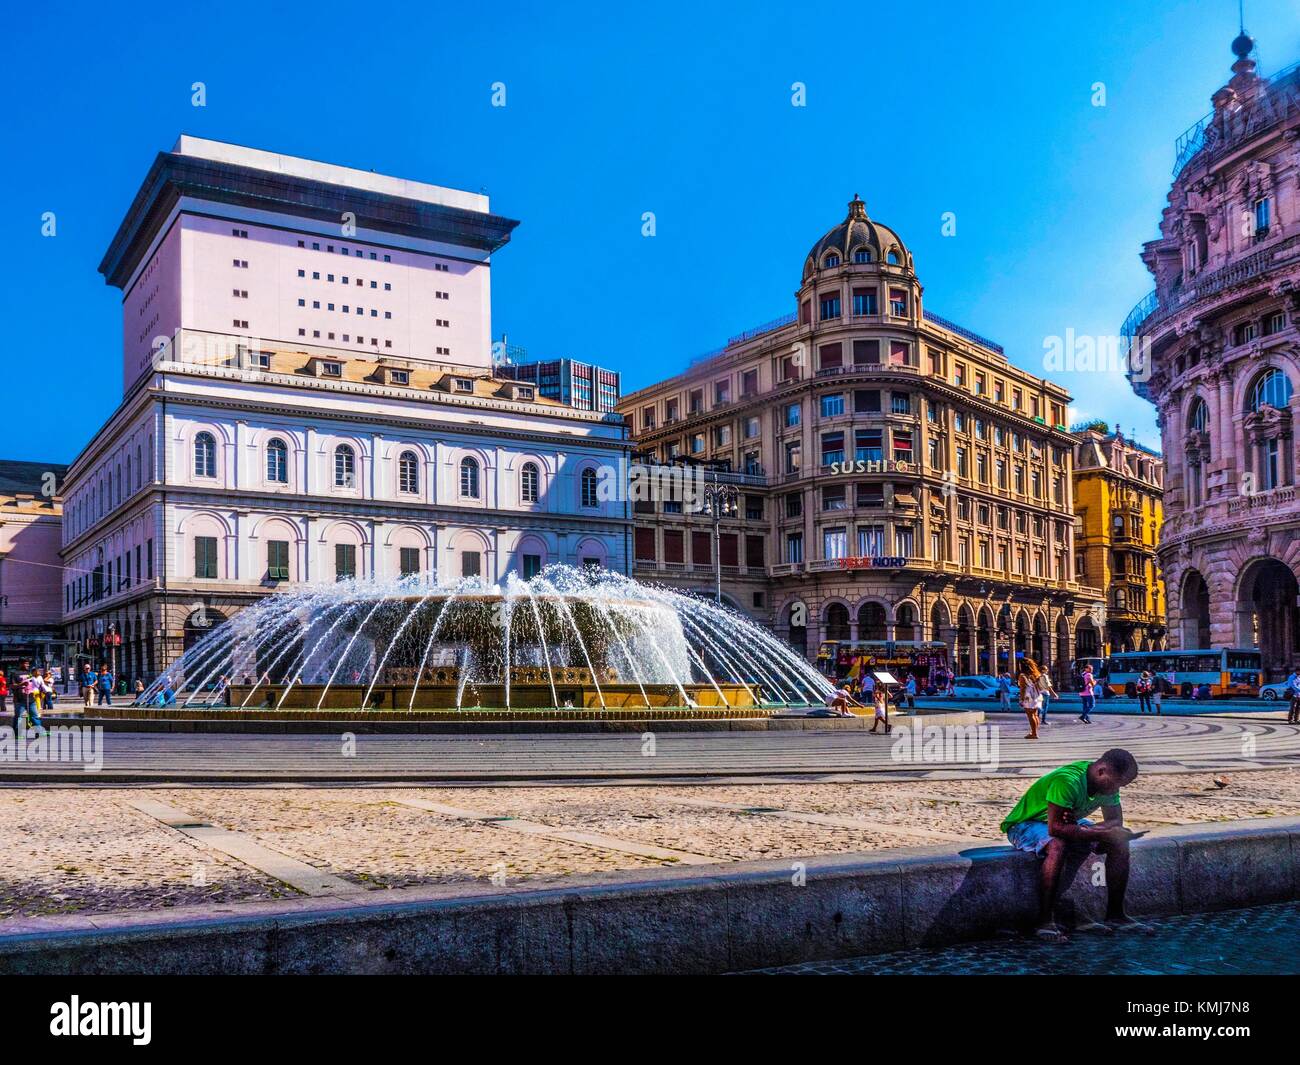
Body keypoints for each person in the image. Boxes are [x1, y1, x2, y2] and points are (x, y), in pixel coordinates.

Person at [1001, 748, 1148, 941]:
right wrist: (1095, 832)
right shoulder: (1068, 781)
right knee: (1057, 845)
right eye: (1117, 783)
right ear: (1101, 771)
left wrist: (1094, 832)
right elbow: (1056, 829)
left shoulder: (1109, 785)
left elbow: (1114, 821)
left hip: (1060, 823)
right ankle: (1045, 920)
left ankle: (1115, 915)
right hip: (1026, 824)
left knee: (1120, 843)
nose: (1117, 789)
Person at [1018, 659, 1046, 740]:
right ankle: (1034, 731)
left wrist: (1021, 699)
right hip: (1037, 696)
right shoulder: (1036, 674)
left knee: (1030, 715)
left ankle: (1034, 733)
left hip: (1028, 697)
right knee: (1035, 714)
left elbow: (1022, 689)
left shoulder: (1022, 676)